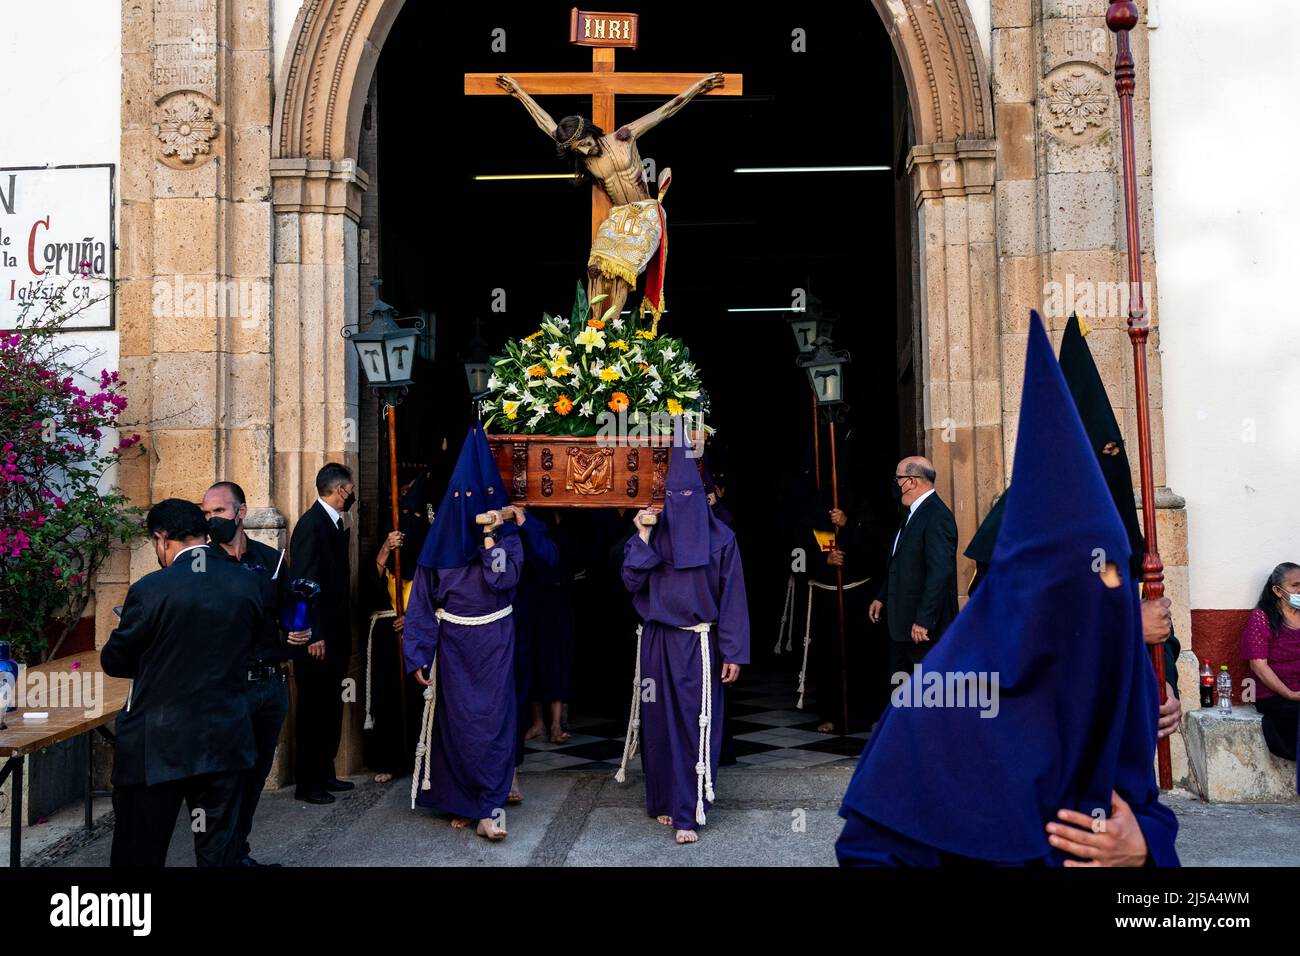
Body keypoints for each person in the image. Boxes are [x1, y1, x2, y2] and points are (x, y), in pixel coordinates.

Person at [836, 312, 1179, 867]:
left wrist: (1142, 849)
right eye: (1091, 581)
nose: (1110, 598)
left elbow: (1149, 810)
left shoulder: (1118, 680)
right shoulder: (934, 705)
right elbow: (869, 851)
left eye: (1116, 577)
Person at [965, 314, 1182, 738]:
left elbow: (1155, 622)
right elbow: (1009, 633)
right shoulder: (1017, 528)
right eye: (1092, 456)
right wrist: (1130, 626)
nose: (1105, 468)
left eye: (1111, 453)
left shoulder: (1114, 533)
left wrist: (1165, 685)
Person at [101, 499, 265, 867]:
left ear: (161, 539)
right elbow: (256, 643)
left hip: (159, 742)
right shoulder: (246, 582)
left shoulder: (151, 589)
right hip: (225, 736)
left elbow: (116, 661)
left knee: (139, 851)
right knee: (219, 854)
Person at [618, 434, 750, 845]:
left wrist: (734, 651)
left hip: (699, 646)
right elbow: (630, 581)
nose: (679, 504)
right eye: (671, 495)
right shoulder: (652, 537)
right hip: (657, 643)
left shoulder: (723, 540)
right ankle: (662, 799)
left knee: (696, 725)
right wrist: (640, 536)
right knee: (659, 724)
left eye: (686, 494)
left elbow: (733, 599)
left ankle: (688, 811)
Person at [403, 426, 524, 841]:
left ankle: (489, 805)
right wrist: (418, 651)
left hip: (494, 640)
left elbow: (502, 582)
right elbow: (421, 602)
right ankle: (463, 800)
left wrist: (491, 540)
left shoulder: (508, 539)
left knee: (491, 720)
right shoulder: (438, 545)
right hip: (453, 643)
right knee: (456, 723)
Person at [201, 480, 308, 867]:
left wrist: (299, 628)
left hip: (271, 684)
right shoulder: (203, 563)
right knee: (224, 781)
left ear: (241, 513)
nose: (211, 519)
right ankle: (219, 860)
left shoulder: (270, 560)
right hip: (229, 687)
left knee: (254, 776)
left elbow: (287, 606)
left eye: (218, 512)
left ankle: (239, 854)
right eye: (207, 514)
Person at [288, 462, 357, 804]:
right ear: (341, 489)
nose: (352, 493)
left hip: (335, 633)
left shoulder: (333, 523)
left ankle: (325, 772)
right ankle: (308, 782)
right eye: (350, 488)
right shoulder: (311, 526)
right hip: (317, 638)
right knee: (314, 708)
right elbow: (303, 583)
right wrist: (311, 633)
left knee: (330, 706)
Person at [364, 474, 433, 785]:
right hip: (386, 639)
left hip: (419, 640)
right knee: (388, 699)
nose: (410, 523)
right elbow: (364, 593)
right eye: (405, 517)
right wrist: (384, 551)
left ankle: (422, 757)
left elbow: (441, 601)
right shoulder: (386, 556)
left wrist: (416, 619)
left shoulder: (430, 563)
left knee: (420, 698)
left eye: (416, 517)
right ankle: (389, 759)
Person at [868, 457, 957, 677]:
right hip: (902, 626)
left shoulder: (937, 516)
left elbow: (940, 573)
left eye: (897, 478)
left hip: (921, 631)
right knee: (901, 694)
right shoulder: (912, 513)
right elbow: (901, 562)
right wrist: (882, 596)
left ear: (911, 481)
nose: (895, 484)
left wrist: (924, 621)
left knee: (924, 697)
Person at [1240, 562, 1300, 761]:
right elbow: (1258, 665)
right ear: (1277, 590)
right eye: (1295, 585)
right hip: (1275, 694)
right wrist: (1290, 694)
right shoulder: (1262, 618)